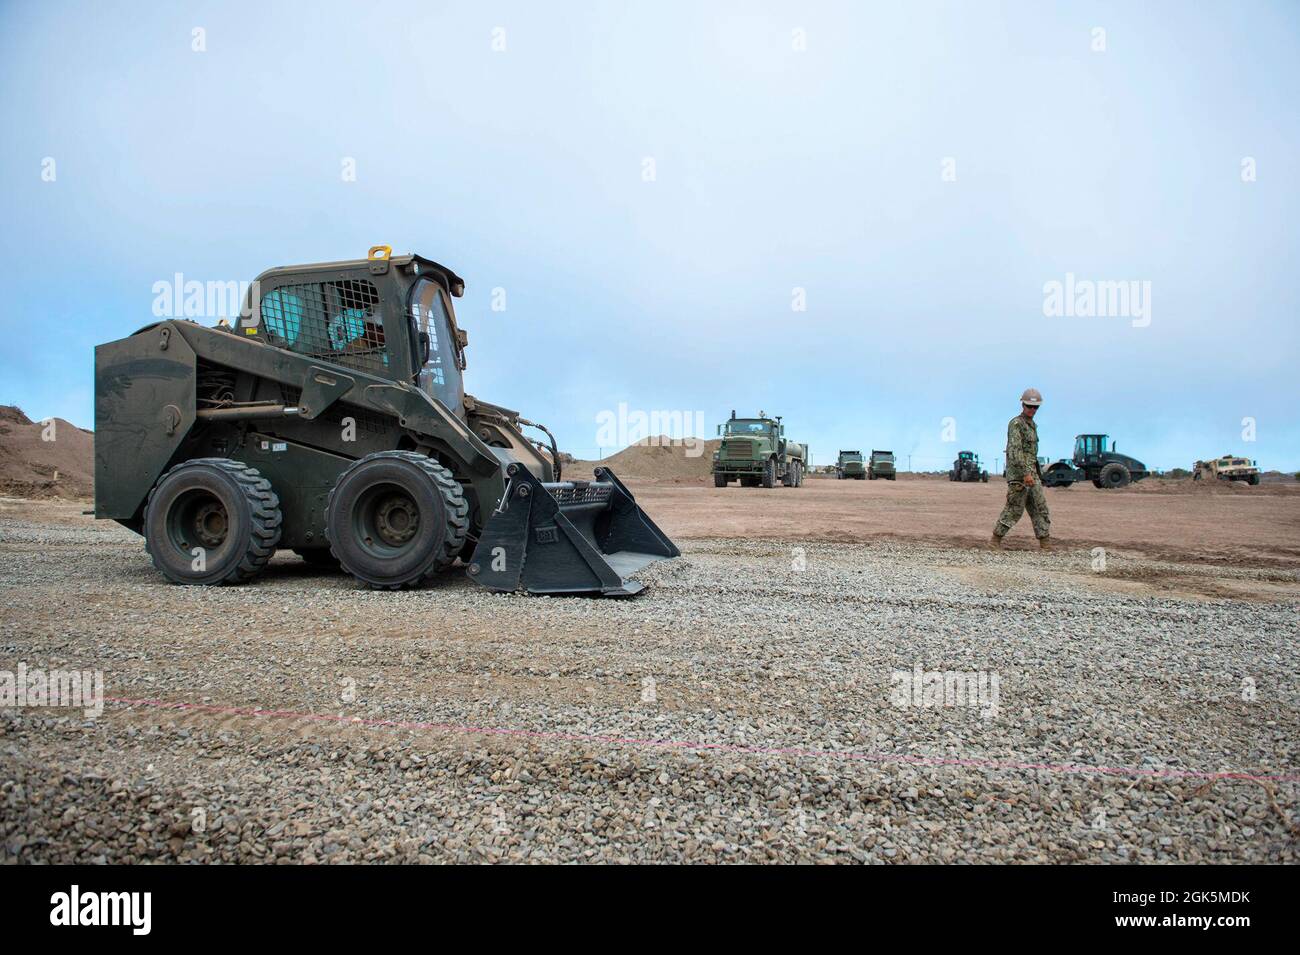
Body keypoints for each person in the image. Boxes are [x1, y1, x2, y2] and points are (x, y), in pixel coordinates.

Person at [991, 388, 1051, 549]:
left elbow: (1031, 453)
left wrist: (1033, 473)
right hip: (1020, 476)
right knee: (1014, 509)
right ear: (1023, 405)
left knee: (1040, 508)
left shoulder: (1032, 425)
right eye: (1029, 406)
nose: (1032, 410)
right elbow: (1015, 450)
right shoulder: (1016, 424)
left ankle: (1045, 543)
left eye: (1035, 407)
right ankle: (995, 540)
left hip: (1032, 474)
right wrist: (1025, 473)